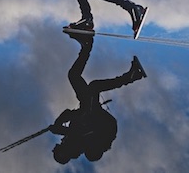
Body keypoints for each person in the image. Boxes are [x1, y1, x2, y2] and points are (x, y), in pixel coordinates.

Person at [50, 31, 147, 164]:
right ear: (63, 153)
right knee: (93, 87)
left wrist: (58, 124)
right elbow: (79, 133)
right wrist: (59, 128)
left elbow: (71, 115)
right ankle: (132, 76)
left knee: (74, 76)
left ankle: (87, 45)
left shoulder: (72, 138)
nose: (60, 143)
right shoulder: (78, 147)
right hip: (101, 123)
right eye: (60, 147)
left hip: (91, 115)